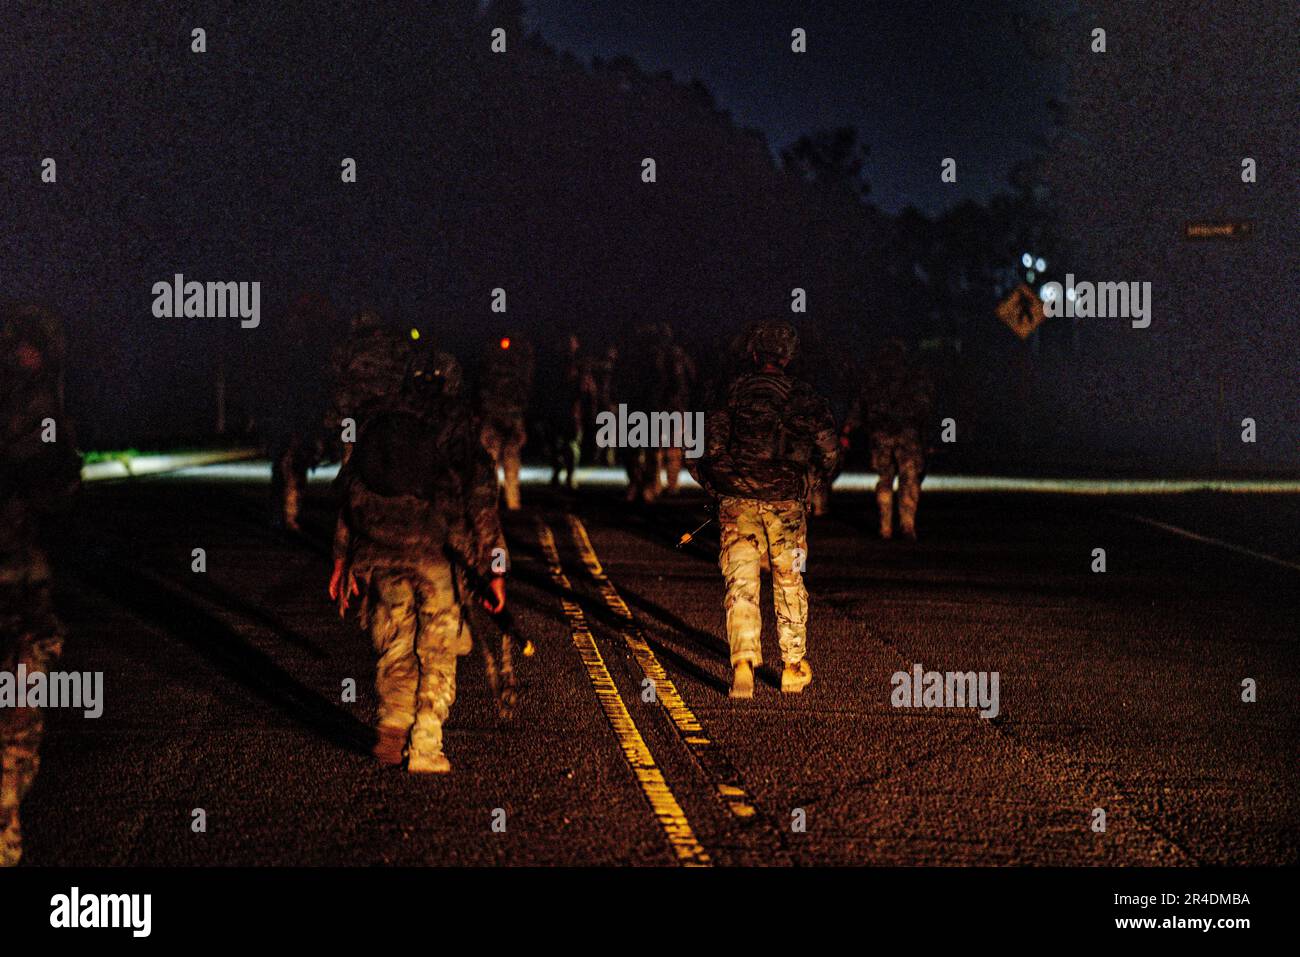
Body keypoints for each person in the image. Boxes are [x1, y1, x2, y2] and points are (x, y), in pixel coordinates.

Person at [329, 346, 506, 773]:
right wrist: (495, 569)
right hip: (438, 555)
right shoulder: (460, 424)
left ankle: (392, 721)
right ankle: (425, 746)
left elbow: (349, 487)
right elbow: (483, 504)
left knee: (396, 639)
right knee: (438, 647)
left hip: (380, 549)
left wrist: (341, 558)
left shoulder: (376, 417)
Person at [688, 319, 838, 699]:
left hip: (736, 501)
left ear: (754, 354)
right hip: (786, 502)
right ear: (787, 356)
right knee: (789, 580)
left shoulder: (729, 393)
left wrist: (716, 486)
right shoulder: (804, 397)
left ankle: (742, 665)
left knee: (741, 582)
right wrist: (808, 483)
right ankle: (791, 666)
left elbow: (701, 449)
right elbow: (829, 450)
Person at [1, 304, 81, 866]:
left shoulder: (46, 409)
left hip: (26, 583)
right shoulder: (34, 405)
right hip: (20, 582)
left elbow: (61, 483)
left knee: (20, 728)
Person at [842, 339, 934, 540]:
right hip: (908, 437)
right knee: (908, 481)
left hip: (881, 436)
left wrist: (847, 430)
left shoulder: (874, 378)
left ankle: (885, 527)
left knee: (885, 480)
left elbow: (860, 406)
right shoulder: (914, 378)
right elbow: (926, 409)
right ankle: (907, 526)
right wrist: (929, 440)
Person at [259, 292, 335, 530]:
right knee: (284, 465)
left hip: (298, 413)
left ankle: (289, 514)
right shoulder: (284, 346)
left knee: (295, 465)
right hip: (287, 413)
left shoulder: (313, 342)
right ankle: (282, 515)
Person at [324, 309, 412, 466]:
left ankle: (348, 456)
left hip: (360, 405)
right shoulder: (395, 344)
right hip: (381, 403)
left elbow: (334, 372)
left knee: (348, 426)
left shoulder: (348, 345)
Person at [476, 335, 533, 510]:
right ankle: (507, 503)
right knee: (501, 464)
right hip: (500, 418)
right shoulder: (519, 361)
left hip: (503, 418)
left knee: (497, 464)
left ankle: (499, 504)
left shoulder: (489, 360)